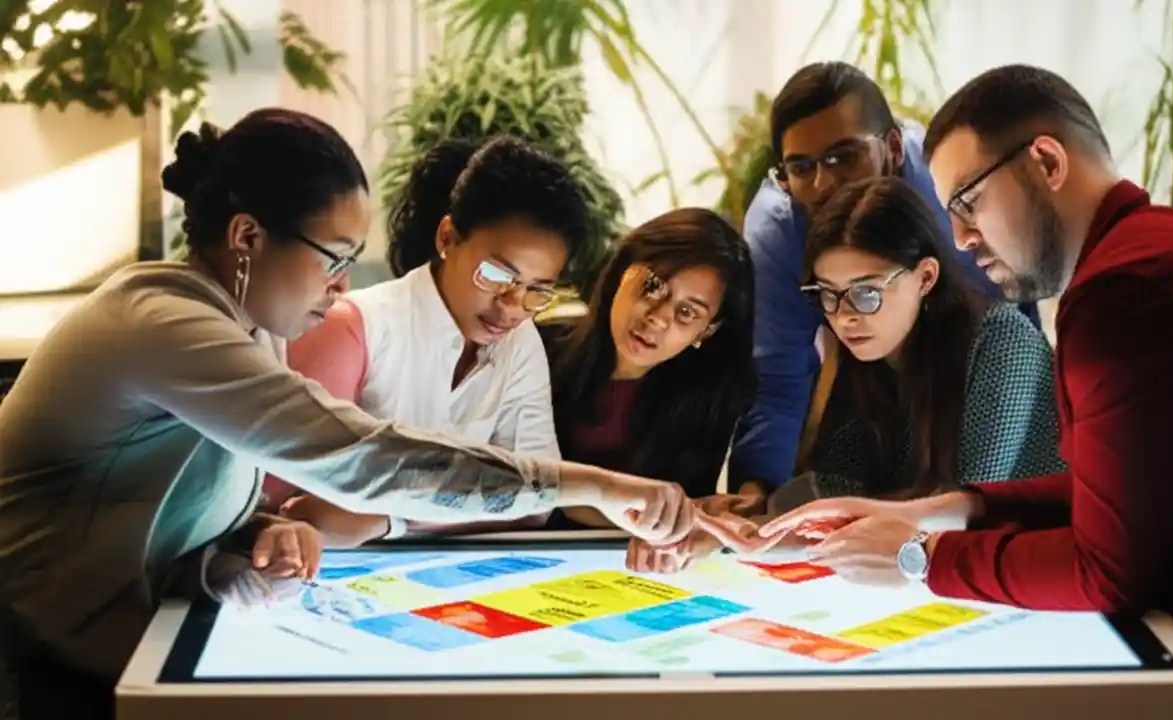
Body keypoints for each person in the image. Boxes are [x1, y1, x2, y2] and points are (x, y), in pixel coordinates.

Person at [0, 109, 694, 718]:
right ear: (247, 237)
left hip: (127, 645)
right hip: (51, 659)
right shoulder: (163, 322)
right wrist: (592, 484)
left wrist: (256, 535)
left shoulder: (252, 326)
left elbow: (164, 496)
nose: (341, 285)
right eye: (333, 258)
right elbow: (361, 457)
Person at [754, 65, 1173, 717]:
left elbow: (1107, 570)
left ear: (1047, 161)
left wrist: (923, 557)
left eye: (968, 204)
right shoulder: (1151, 251)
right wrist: (947, 510)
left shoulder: (1123, 291)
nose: (963, 240)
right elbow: (1118, 490)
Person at [627, 176, 1063, 574]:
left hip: (1032, 569)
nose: (845, 316)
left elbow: (964, 508)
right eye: (828, 296)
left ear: (926, 277)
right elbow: (837, 483)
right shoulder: (867, 358)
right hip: (943, 574)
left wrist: (766, 526)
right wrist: (747, 519)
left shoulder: (1002, 340)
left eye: (866, 293)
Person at [723, 61, 1041, 517]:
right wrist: (759, 502)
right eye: (827, 294)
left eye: (843, 156)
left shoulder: (952, 184)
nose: (823, 183)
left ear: (892, 149)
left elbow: (970, 507)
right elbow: (780, 387)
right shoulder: (863, 338)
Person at [261, 135, 588, 544]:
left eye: (536, 290)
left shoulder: (518, 342)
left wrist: (388, 521)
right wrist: (484, 503)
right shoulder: (354, 328)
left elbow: (537, 501)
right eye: (497, 275)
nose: (511, 305)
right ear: (447, 238)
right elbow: (290, 504)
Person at [541, 208, 757, 530]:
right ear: (621, 272)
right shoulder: (537, 350)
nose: (658, 317)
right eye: (653, 286)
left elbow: (678, 515)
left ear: (706, 332)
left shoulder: (710, 398)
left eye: (687, 312)